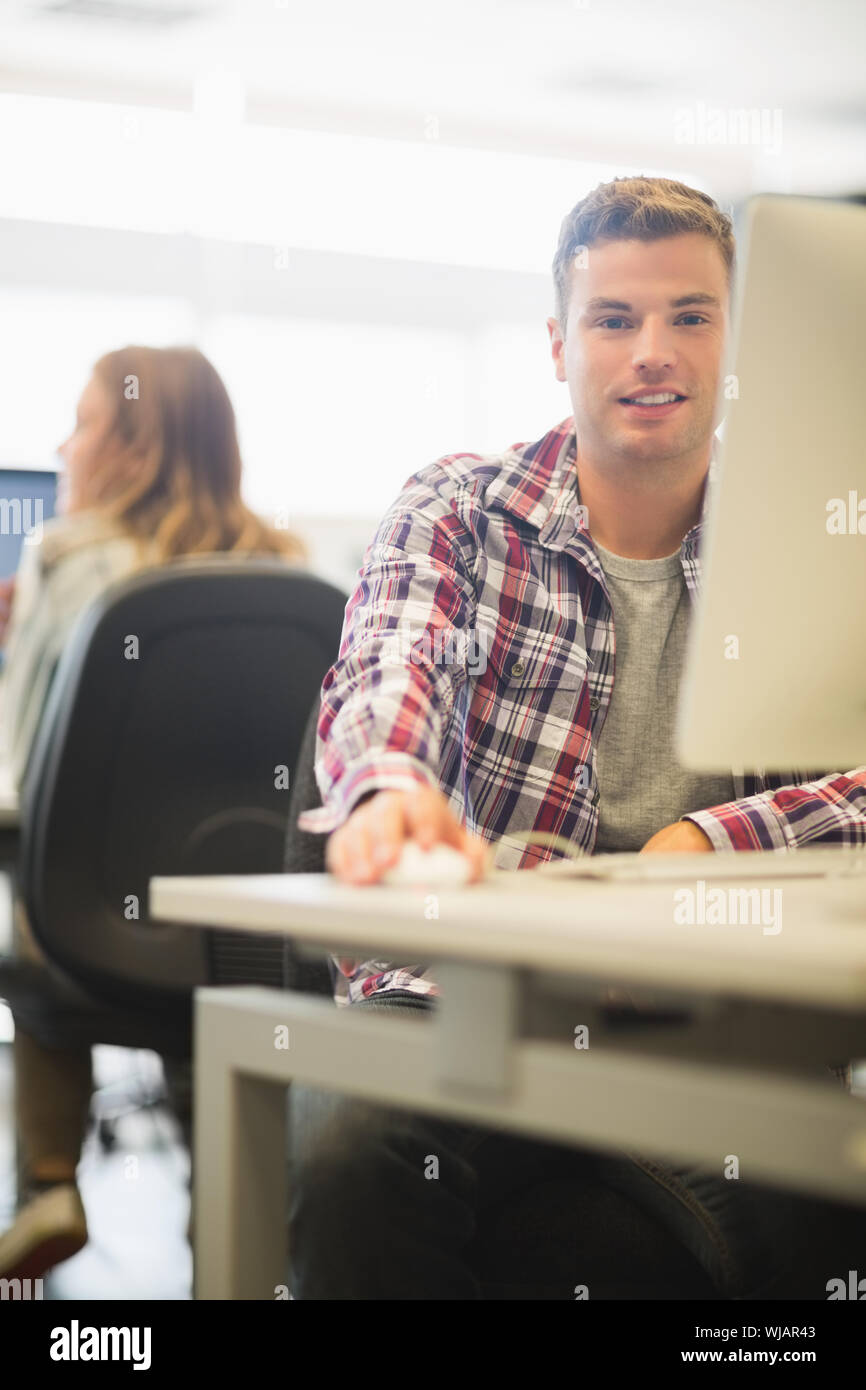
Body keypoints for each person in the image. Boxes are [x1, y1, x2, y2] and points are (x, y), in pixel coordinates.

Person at [288, 177, 866, 1299]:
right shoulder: (458, 507)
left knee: (812, 1201)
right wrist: (388, 789)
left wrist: (706, 842)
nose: (652, 350)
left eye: (690, 317)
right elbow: (387, 665)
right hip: (464, 991)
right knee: (347, 1151)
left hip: (717, 1015)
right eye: (614, 319)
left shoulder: (815, 534)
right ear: (559, 344)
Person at [0, 345, 307, 1280]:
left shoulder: (72, 556)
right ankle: (231, 1227)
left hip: (88, 937)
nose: (64, 441)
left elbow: (20, 781)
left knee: (31, 916)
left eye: (83, 421)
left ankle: (47, 1176)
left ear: (129, 446)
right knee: (205, 1000)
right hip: (255, 940)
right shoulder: (290, 574)